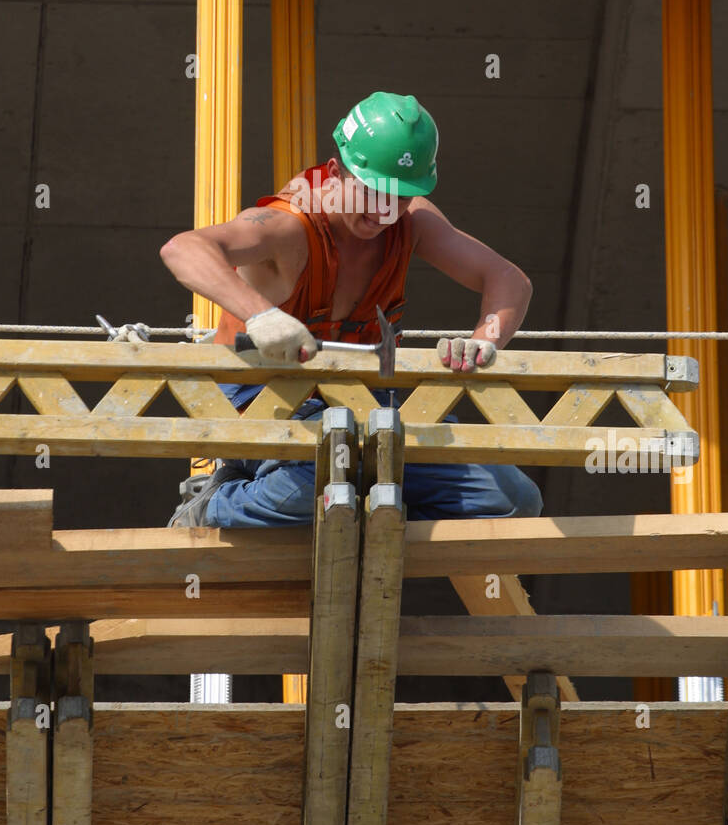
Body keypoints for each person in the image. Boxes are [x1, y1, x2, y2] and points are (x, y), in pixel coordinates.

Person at [159, 90, 542, 527]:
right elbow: (183, 248)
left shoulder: (412, 221)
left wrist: (484, 342)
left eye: (400, 195)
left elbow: (509, 280)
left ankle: (372, 506)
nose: (385, 210)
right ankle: (212, 505)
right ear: (337, 173)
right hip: (273, 404)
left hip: (368, 409)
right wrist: (260, 315)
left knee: (512, 500)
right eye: (375, 190)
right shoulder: (291, 226)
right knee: (326, 484)